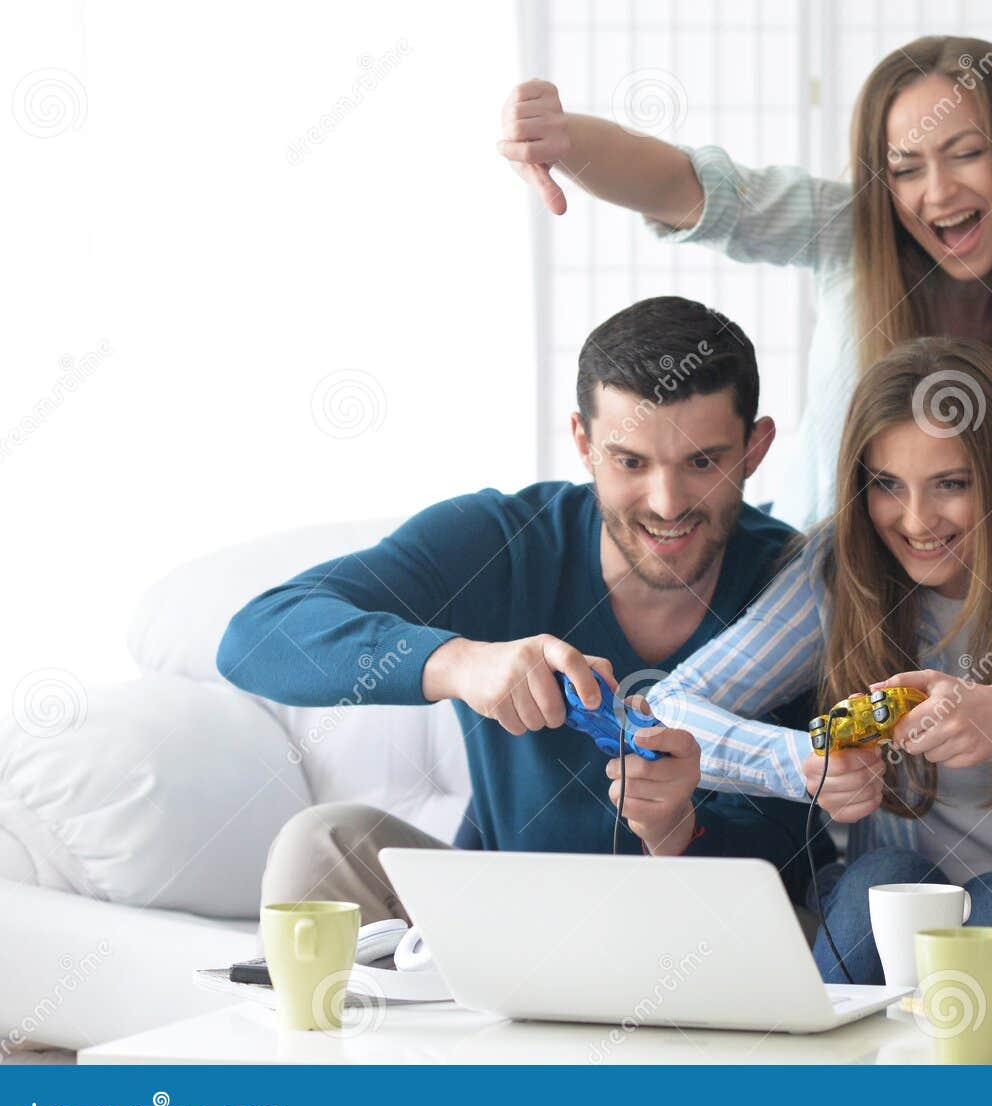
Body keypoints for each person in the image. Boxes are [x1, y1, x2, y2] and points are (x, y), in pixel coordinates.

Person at [498, 34, 992, 528]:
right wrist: (566, 139)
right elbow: (687, 188)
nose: (937, 192)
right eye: (906, 168)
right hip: (843, 575)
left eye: (967, 154)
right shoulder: (848, 228)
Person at [217, 296, 831, 923]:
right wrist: (458, 663)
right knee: (322, 845)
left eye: (703, 462)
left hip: (701, 931)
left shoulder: (806, 588)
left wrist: (678, 829)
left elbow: (792, 856)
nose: (667, 503)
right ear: (584, 443)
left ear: (754, 448)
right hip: (501, 914)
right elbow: (255, 638)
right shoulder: (500, 540)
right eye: (630, 462)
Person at [646, 336, 992, 983]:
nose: (916, 521)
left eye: (950, 484)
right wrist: (800, 764)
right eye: (887, 484)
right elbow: (666, 707)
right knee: (878, 884)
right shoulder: (839, 567)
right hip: (892, 890)